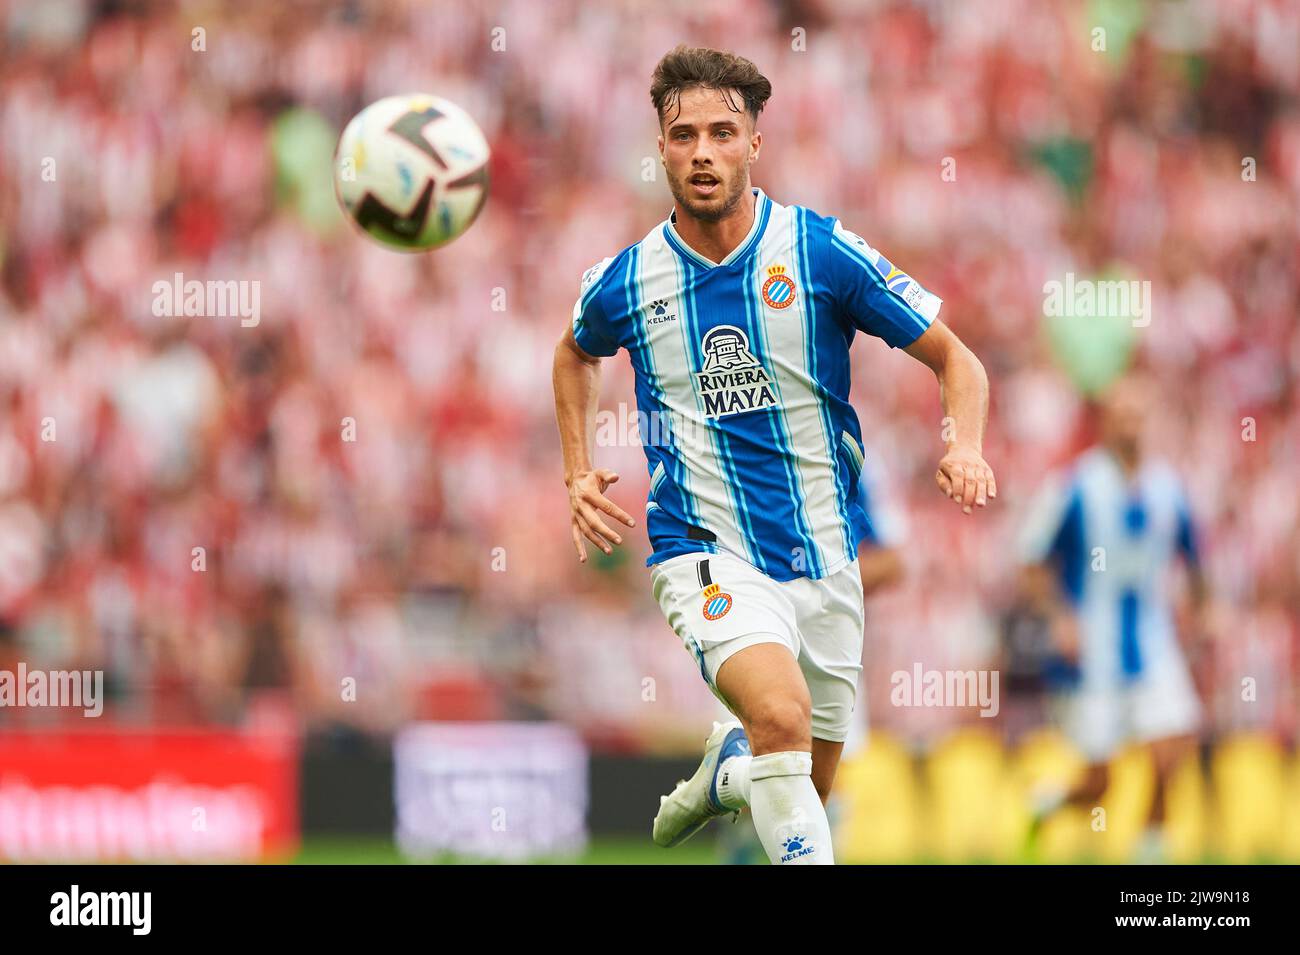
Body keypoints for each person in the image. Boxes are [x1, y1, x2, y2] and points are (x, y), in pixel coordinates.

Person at [551, 45, 994, 865]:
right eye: (684, 135)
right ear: (661, 147)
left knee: (800, 789)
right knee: (781, 719)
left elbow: (956, 359)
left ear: (755, 142)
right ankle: (748, 757)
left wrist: (963, 442)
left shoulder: (820, 253)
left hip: (827, 560)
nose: (704, 152)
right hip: (702, 549)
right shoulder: (632, 277)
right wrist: (577, 466)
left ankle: (731, 774)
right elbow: (577, 351)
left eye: (723, 132)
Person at [1019, 375, 1206, 861]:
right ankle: (1048, 803)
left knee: (1171, 754)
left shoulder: (1170, 488)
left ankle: (1148, 857)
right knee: (1100, 785)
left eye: (1139, 416)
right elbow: (1032, 560)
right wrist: (1060, 617)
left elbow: (1196, 559)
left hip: (1154, 641)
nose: (1132, 425)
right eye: (1122, 415)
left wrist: (1206, 613)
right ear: (1106, 423)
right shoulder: (1075, 485)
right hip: (1095, 653)